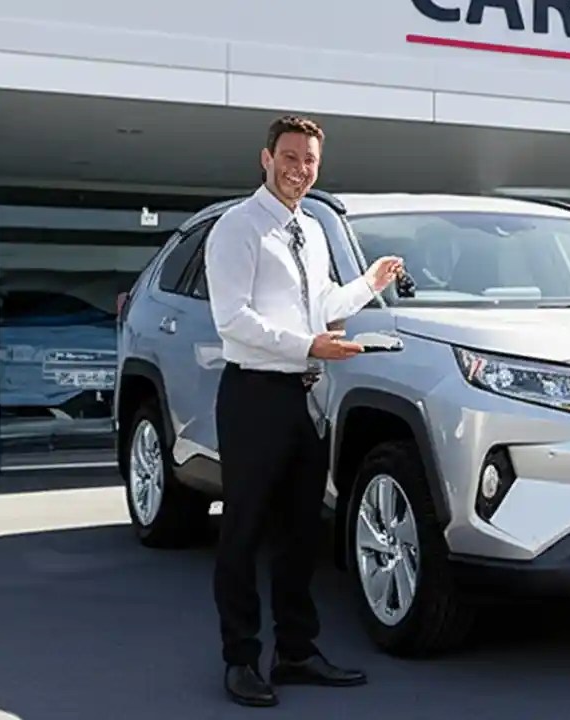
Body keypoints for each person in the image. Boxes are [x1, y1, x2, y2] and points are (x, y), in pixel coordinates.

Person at [205, 114, 405, 707]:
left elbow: (321, 306)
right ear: (266, 159)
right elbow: (232, 320)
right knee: (243, 532)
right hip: (254, 396)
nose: (299, 169)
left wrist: (369, 284)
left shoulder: (312, 229)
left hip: (307, 397)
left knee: (299, 533)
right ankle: (241, 659)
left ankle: (295, 652)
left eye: (309, 160)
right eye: (289, 157)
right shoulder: (237, 227)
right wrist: (308, 346)